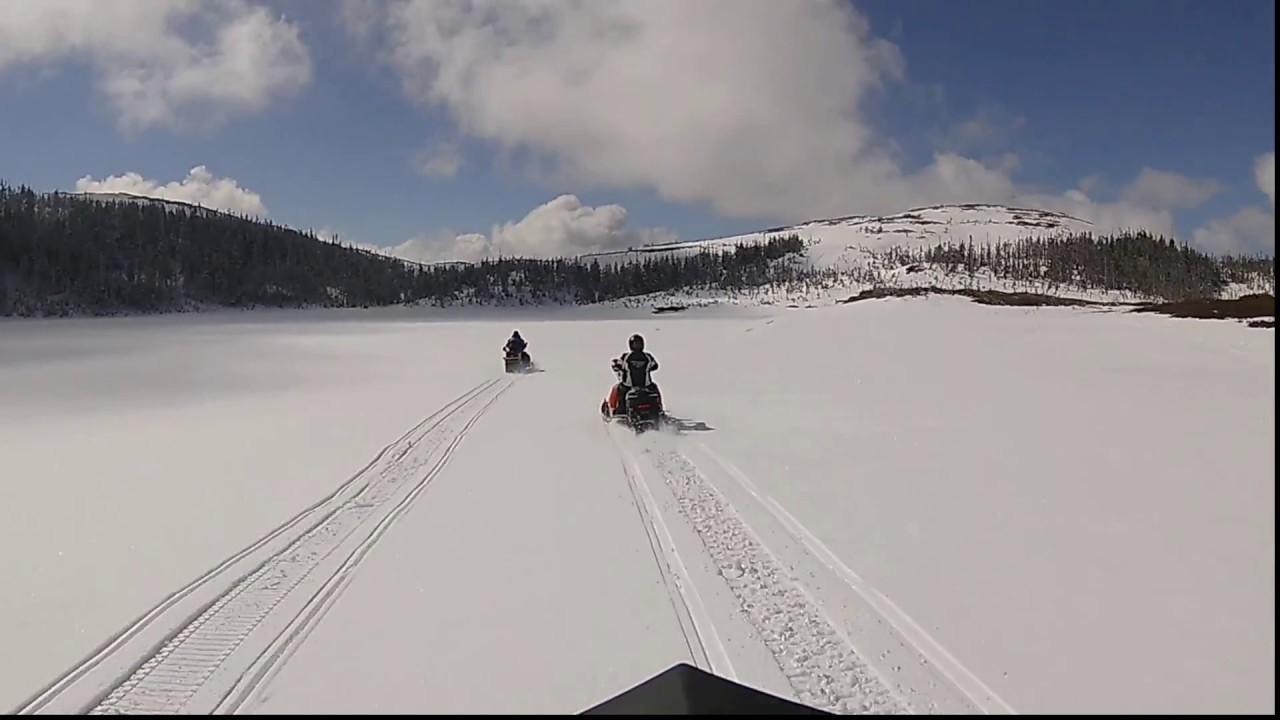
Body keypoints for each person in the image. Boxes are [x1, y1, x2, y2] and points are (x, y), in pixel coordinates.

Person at [607, 333, 662, 416]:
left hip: (629, 386)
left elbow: (619, 364)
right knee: (655, 388)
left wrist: (615, 365)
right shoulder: (648, 357)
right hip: (646, 386)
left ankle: (618, 412)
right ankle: (659, 409)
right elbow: (655, 365)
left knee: (618, 389)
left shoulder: (626, 357)